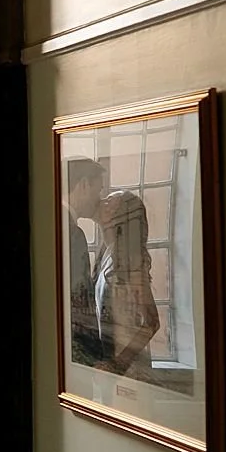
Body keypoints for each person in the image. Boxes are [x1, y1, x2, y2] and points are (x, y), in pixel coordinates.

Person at [93, 189, 161, 379]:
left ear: (124, 215)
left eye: (111, 202)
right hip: (109, 362)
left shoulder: (132, 260)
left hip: (129, 368)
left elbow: (152, 322)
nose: (103, 201)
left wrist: (118, 364)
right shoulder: (107, 253)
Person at [63, 158, 107, 367]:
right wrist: (93, 356)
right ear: (83, 185)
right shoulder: (72, 233)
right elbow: (79, 301)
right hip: (74, 353)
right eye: (98, 191)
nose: (99, 199)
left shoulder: (51, 221)